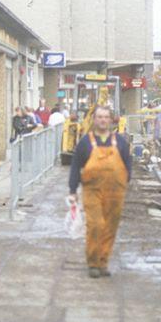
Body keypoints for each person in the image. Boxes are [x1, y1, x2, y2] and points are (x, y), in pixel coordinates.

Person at [68, 105, 132, 278]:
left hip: (115, 193)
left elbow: (128, 164)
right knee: (96, 225)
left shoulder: (120, 142)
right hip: (92, 191)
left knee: (110, 227)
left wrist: (125, 182)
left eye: (106, 117)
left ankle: (103, 262)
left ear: (110, 120)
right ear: (94, 120)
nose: (103, 120)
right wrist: (72, 190)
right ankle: (93, 263)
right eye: (99, 117)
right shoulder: (85, 143)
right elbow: (75, 167)